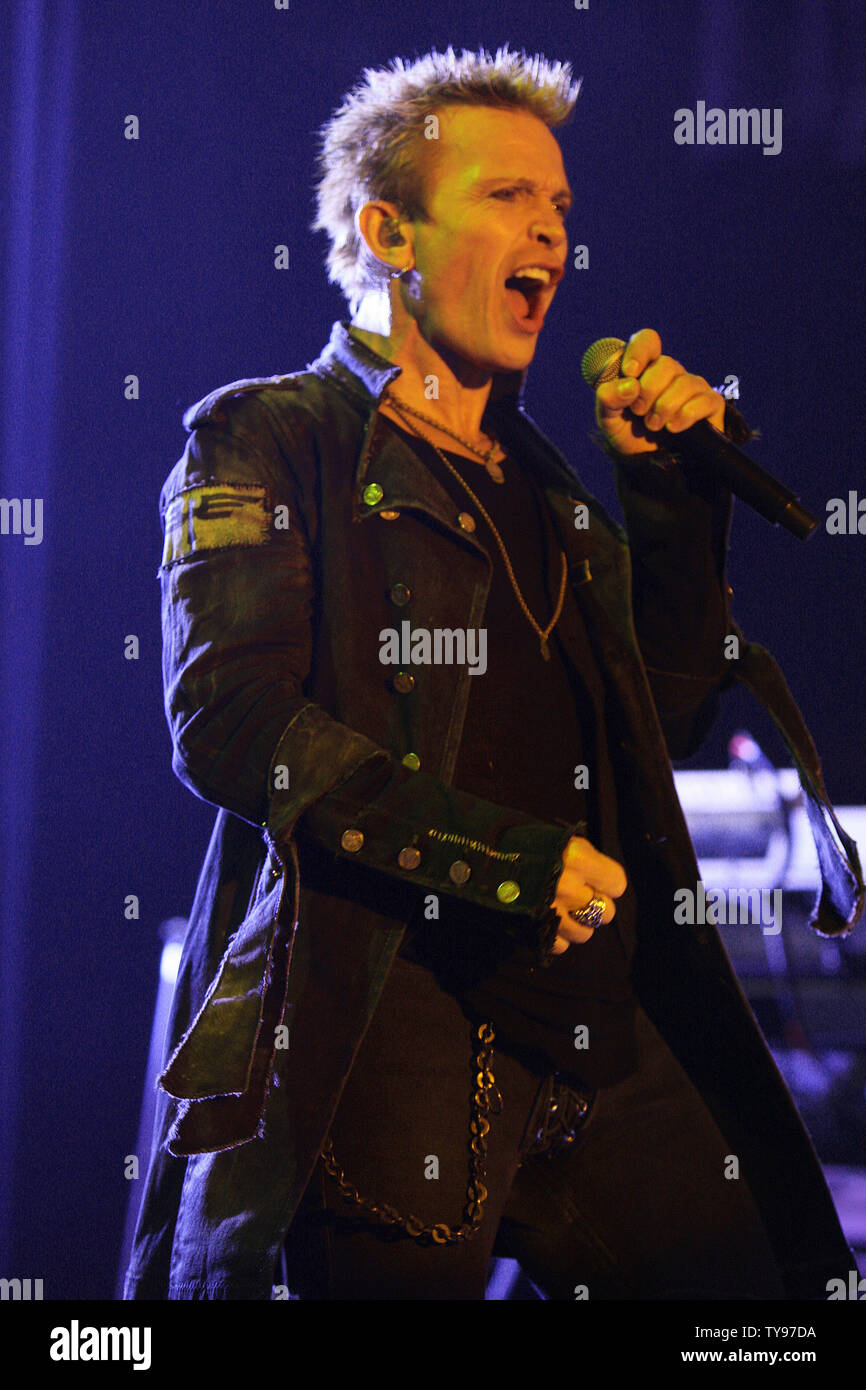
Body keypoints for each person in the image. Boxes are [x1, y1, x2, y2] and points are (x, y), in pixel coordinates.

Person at [124, 45, 862, 1301]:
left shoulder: (552, 496)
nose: (552, 232)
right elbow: (233, 723)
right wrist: (503, 863)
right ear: (387, 230)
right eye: (507, 196)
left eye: (562, 206)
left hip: (598, 1031)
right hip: (387, 1020)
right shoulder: (266, 436)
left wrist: (671, 502)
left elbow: (665, 709)